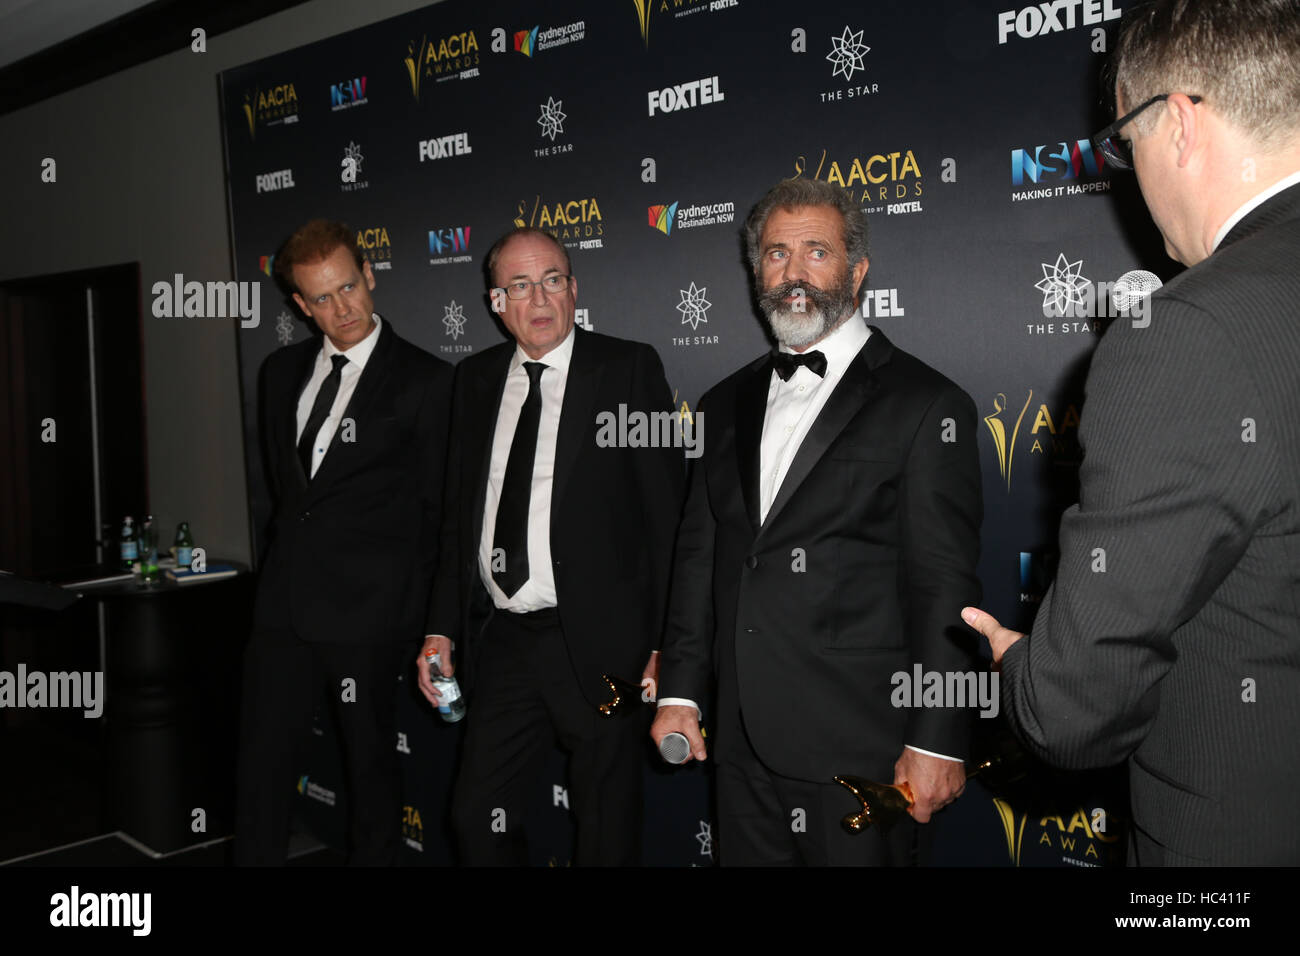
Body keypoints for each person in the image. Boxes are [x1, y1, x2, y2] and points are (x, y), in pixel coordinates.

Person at [963, 0, 1300, 865]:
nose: (1127, 176)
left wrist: (1021, 674)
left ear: (1179, 123)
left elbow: (1075, 712)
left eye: (1124, 143)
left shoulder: (1187, 334)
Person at [651, 179, 983, 865]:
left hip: (862, 751)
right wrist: (682, 691)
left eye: (816, 252)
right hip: (740, 745)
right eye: (775, 254)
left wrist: (937, 738)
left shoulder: (926, 404)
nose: (793, 273)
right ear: (754, 272)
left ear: (858, 271)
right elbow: (697, 562)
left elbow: (942, 588)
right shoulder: (721, 404)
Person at [418, 227, 685, 865]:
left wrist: (667, 645)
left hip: (602, 643)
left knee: (604, 828)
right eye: (519, 286)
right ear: (495, 301)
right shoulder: (475, 378)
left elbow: (667, 520)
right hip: (504, 639)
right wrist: (440, 629)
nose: (539, 299)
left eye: (553, 280)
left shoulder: (626, 368)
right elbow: (461, 519)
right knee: (477, 818)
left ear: (574, 289)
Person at [235, 219, 452, 865]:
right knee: (259, 767)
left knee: (370, 773)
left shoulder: (425, 381)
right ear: (300, 305)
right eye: (322, 298)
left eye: (349, 286)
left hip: (369, 618)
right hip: (281, 611)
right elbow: (287, 496)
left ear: (369, 275)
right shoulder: (278, 373)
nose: (342, 308)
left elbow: (440, 514)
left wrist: (421, 620)